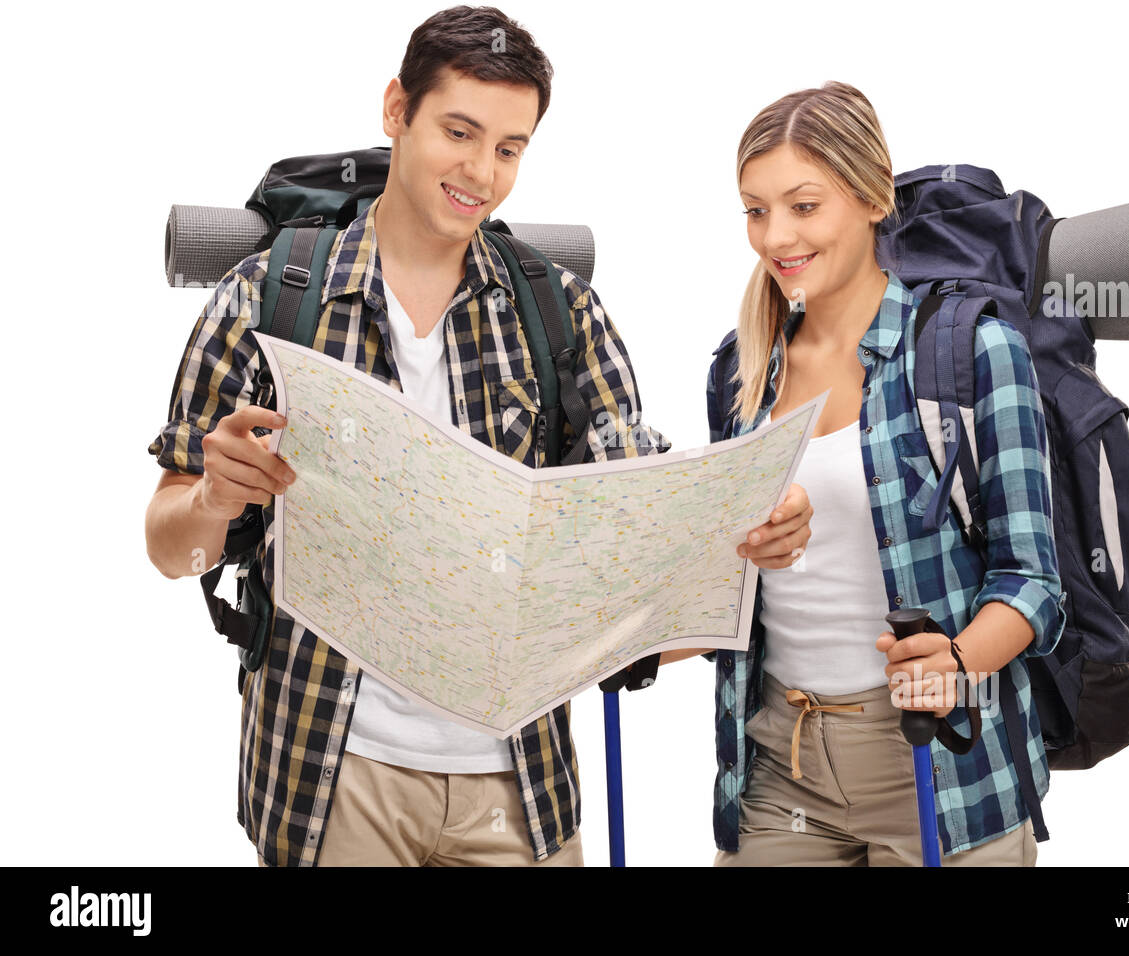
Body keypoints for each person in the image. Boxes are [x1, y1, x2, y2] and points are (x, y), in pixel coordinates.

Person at [143, 5, 812, 867]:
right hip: (329, 773)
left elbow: (637, 527)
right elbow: (170, 552)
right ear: (397, 110)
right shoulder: (264, 299)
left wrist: (747, 525)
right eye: (459, 132)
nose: (482, 172)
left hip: (520, 781)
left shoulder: (559, 312)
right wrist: (210, 495)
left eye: (510, 147)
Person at [682, 80, 1067, 866]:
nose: (774, 236)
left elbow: (1033, 582)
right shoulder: (739, 372)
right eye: (755, 210)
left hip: (945, 768)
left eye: (803, 206)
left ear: (870, 196)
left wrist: (957, 659)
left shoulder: (970, 350)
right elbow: (723, 586)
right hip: (780, 762)